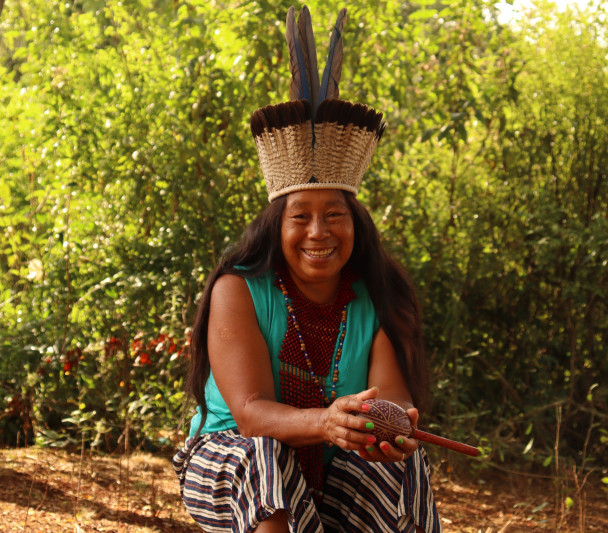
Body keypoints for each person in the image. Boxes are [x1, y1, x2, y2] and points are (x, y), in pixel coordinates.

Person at [173, 6, 441, 532]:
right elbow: (250, 413)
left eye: (334, 216)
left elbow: (391, 400)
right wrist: (326, 421)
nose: (318, 232)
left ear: (355, 225)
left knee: (404, 468)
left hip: (335, 470)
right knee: (264, 454)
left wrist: (395, 428)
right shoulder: (238, 289)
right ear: (277, 225)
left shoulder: (374, 296)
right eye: (301, 216)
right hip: (231, 465)